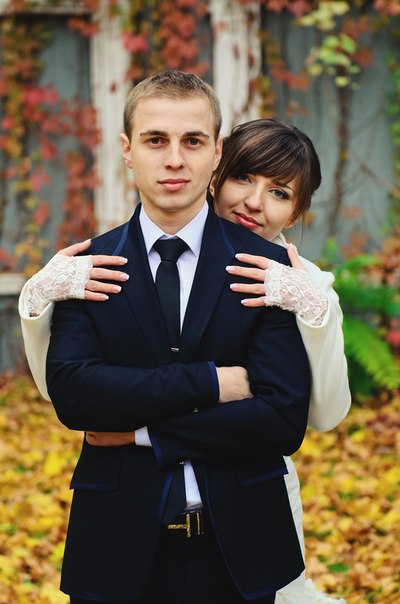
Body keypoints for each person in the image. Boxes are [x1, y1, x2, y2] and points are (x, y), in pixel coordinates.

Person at [18, 117, 350, 603]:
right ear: (215, 171)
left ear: (297, 211)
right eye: (243, 177)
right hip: (127, 518)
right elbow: (68, 394)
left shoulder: (303, 284)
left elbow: (317, 415)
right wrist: (36, 297)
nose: (254, 202)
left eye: (279, 192)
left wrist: (314, 310)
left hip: (249, 503)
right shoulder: (115, 261)